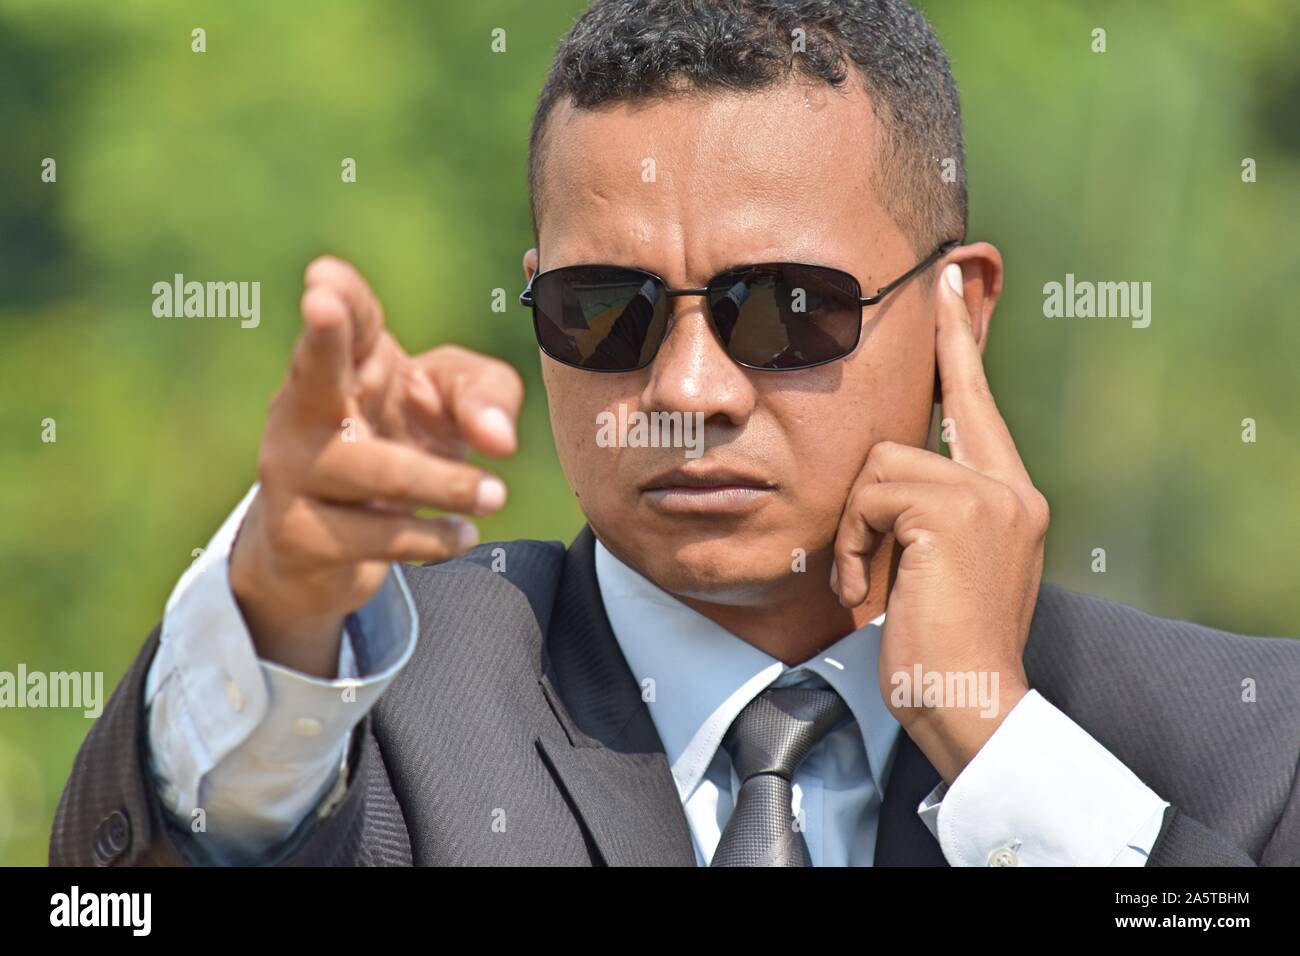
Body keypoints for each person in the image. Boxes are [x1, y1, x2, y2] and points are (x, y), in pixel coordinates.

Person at [51, 0, 1299, 867]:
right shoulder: (379, 699)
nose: (686, 386)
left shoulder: (1246, 740)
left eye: (786, 309)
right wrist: (273, 603)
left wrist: (991, 735)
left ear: (954, 309)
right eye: (606, 312)